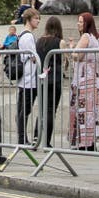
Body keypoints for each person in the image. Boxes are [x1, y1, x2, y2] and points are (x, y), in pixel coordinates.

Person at [67, 12, 99, 150]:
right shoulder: (97, 38)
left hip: (82, 79)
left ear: (87, 23)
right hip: (93, 78)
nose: (78, 24)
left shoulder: (86, 37)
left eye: (81, 22)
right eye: (78, 21)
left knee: (80, 110)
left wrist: (71, 48)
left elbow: (77, 55)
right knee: (91, 111)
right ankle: (90, 141)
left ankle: (82, 141)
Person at [35, 15, 67, 146]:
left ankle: (36, 138)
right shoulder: (60, 42)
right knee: (50, 110)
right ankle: (46, 141)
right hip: (55, 79)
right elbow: (65, 61)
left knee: (42, 109)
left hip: (41, 78)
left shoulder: (39, 41)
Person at [16, 7, 41, 145]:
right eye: (36, 18)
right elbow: (33, 57)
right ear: (28, 19)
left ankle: (22, 138)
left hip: (27, 78)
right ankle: (21, 138)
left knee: (23, 110)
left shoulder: (25, 35)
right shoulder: (27, 36)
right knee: (24, 110)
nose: (38, 21)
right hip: (28, 79)